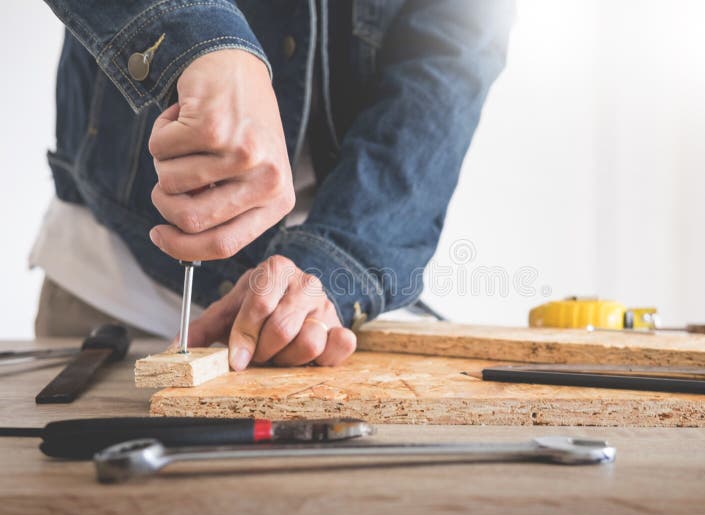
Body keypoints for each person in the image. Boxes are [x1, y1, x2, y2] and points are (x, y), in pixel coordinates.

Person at [33, 0, 513, 370]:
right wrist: (202, 40)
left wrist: (336, 260)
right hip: (110, 289)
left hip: (319, 312)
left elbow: (451, 60)